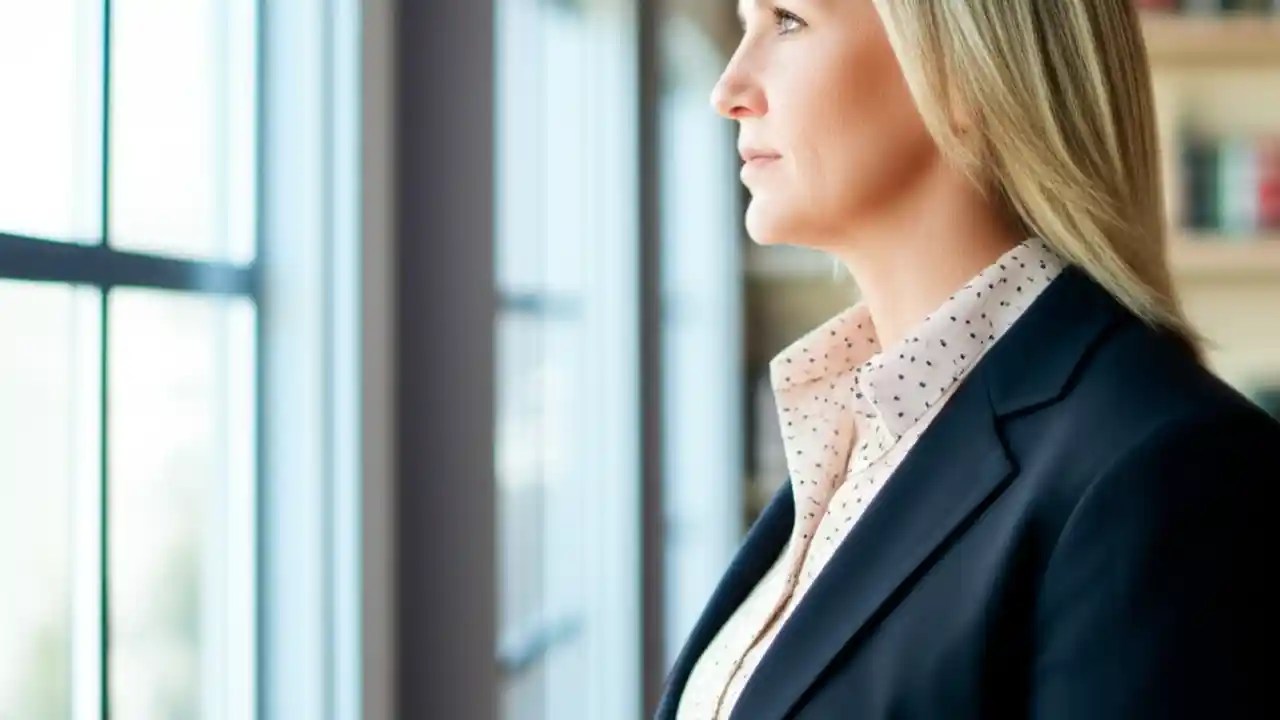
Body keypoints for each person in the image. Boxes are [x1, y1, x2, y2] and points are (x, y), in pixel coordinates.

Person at [656, 1, 1280, 718]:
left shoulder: (1168, 473)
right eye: (745, 24)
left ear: (962, 71)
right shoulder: (858, 426)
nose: (728, 88)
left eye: (788, 20)